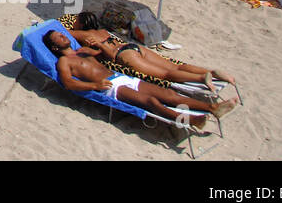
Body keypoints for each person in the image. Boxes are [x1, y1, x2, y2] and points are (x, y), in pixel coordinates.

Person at [43, 32, 238, 127]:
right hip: (109, 87)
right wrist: (94, 85)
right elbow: (68, 83)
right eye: (58, 37)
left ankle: (212, 108)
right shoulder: (64, 62)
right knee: (150, 102)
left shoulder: (83, 50)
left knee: (169, 94)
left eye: (61, 33)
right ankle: (190, 120)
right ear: (54, 47)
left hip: (119, 77)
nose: (62, 36)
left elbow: (111, 58)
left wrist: (100, 46)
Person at [65, 14, 238, 91]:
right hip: (133, 47)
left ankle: (201, 79)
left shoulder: (85, 34)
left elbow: (63, 31)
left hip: (122, 56)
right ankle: (210, 72)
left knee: (166, 74)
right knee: (176, 66)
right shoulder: (103, 32)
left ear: (81, 24)